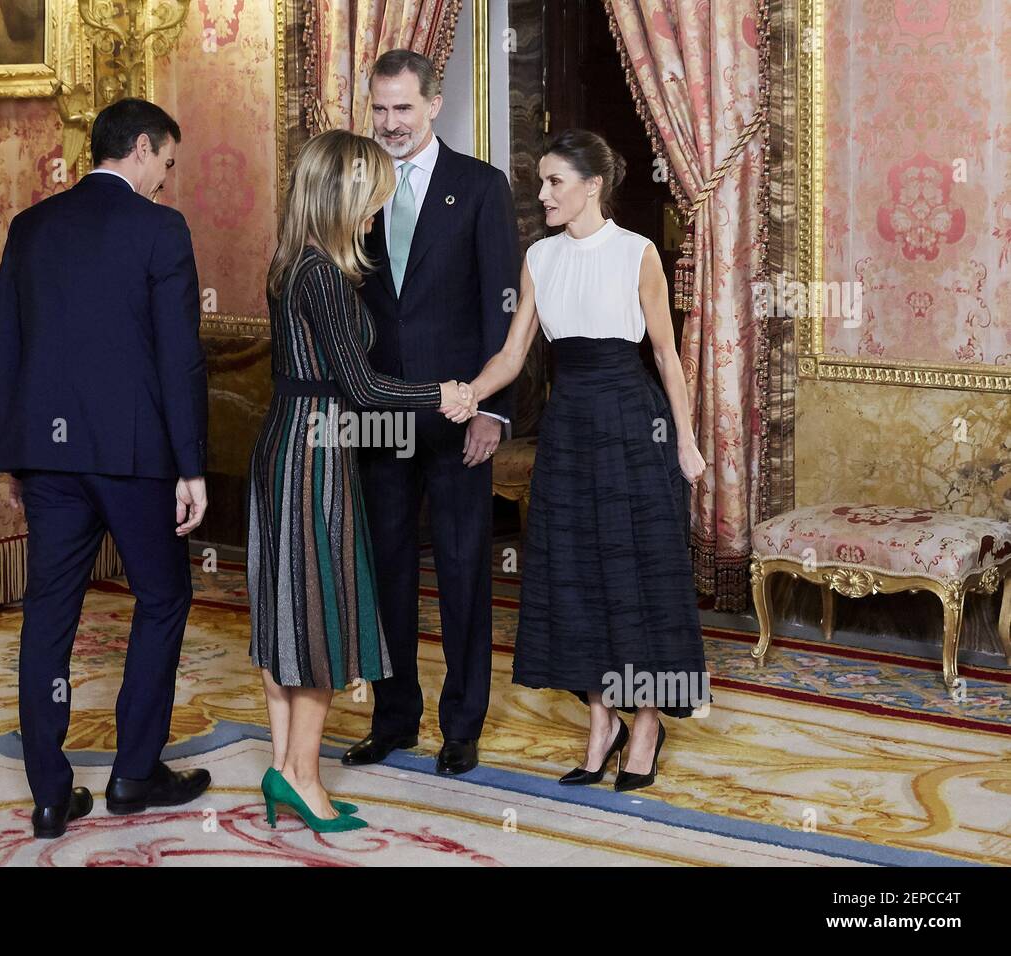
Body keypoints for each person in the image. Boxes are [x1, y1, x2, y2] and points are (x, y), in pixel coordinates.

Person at [0, 98, 212, 838]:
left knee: (49, 615)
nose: (166, 182)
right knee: (162, 598)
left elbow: (5, 350)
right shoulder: (160, 230)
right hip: (136, 458)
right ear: (142, 149)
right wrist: (192, 466)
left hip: (47, 458)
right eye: (167, 165)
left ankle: (50, 796)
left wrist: (16, 458)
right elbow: (179, 359)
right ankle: (133, 773)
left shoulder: (32, 227)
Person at [466, 128, 709, 792]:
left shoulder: (638, 252)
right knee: (575, 573)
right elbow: (514, 355)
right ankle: (602, 721)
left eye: (554, 182)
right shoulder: (540, 258)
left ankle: (649, 721)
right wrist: (467, 393)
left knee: (639, 573)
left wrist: (685, 442)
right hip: (569, 426)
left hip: (634, 423)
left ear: (592, 186)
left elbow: (665, 355)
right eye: (540, 181)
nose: (541, 194)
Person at [247, 128, 476, 832]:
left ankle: (285, 767)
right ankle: (306, 781)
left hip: (292, 441)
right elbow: (362, 387)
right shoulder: (320, 273)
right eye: (371, 202)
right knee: (318, 622)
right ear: (342, 196)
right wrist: (442, 393)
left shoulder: (293, 262)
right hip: (314, 454)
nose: (376, 216)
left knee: (285, 615)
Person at [342, 49, 519, 777]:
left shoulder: (480, 187)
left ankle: (462, 725)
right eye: (379, 109)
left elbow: (501, 309)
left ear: (433, 105)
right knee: (384, 571)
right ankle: (393, 718)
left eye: (403, 108)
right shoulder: (355, 187)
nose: (389, 123)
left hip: (458, 416)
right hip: (378, 416)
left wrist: (491, 409)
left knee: (462, 572)